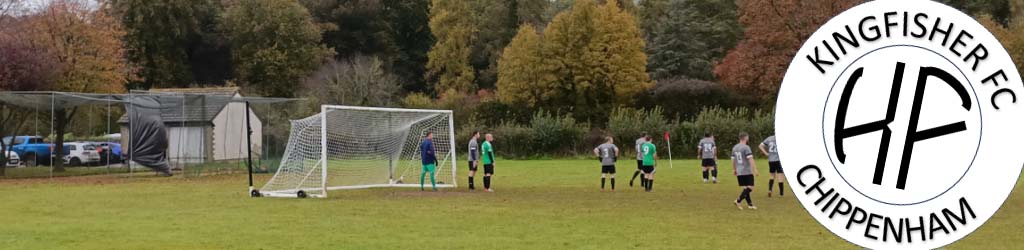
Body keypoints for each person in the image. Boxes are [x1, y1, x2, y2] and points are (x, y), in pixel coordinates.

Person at [732, 132, 758, 210]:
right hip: (746, 170)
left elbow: (733, 160)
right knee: (750, 187)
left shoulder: (735, 147)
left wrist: (734, 169)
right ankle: (738, 200)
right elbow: (750, 159)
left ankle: (750, 205)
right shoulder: (746, 147)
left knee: (746, 188)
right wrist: (755, 169)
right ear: (746, 138)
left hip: (739, 171)